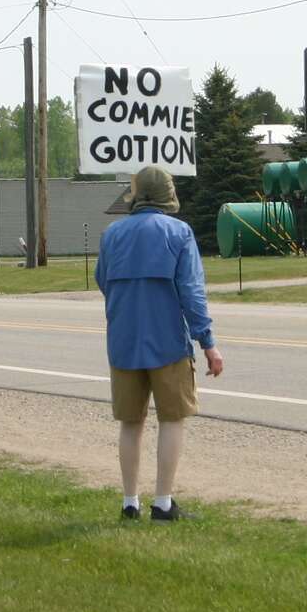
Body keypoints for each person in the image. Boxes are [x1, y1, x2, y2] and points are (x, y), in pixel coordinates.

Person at [94, 165, 224, 522]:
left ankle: (129, 501)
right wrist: (208, 343)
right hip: (167, 342)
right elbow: (192, 294)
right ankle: (163, 502)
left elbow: (103, 280)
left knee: (130, 422)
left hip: (123, 341)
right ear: (168, 194)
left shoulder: (112, 235)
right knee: (172, 419)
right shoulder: (179, 233)